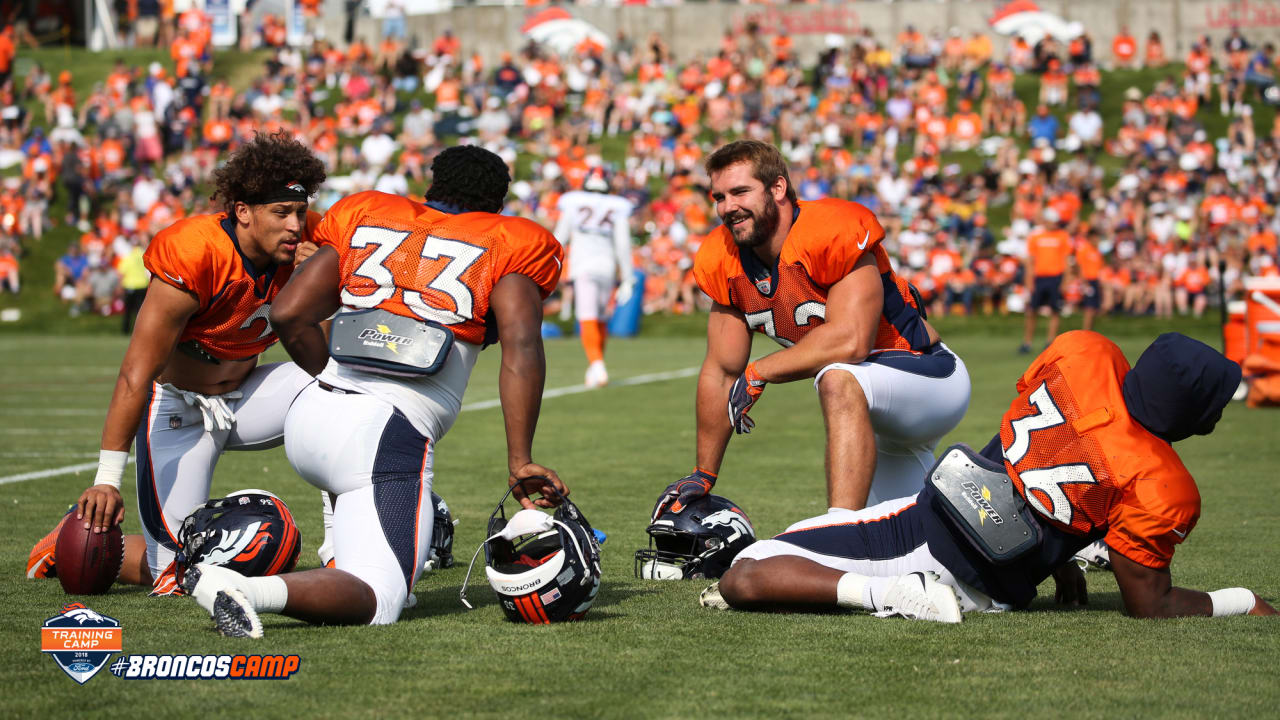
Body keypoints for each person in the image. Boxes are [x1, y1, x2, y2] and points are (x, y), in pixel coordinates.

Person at [182, 145, 569, 636]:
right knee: (382, 597)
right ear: (496, 202)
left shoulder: (368, 214)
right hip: (385, 433)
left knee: (375, 572)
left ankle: (336, 557)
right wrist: (520, 460)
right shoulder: (511, 242)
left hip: (314, 411)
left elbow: (287, 314)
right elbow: (521, 348)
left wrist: (334, 378)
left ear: (433, 184)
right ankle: (245, 588)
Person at [707, 331, 1278, 622]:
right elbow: (1148, 603)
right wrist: (1237, 599)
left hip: (923, 521)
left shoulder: (1083, 353)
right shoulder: (1165, 485)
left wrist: (1067, 551)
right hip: (989, 588)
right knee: (751, 576)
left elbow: (1053, 456)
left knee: (743, 573)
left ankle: (893, 595)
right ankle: (902, 594)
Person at [26, 133, 327, 594]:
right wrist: (107, 479)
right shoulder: (194, 249)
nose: (295, 226)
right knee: (174, 573)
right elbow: (137, 371)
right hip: (178, 409)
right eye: (281, 213)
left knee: (341, 394)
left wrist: (319, 284)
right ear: (243, 211)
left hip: (247, 395)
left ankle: (344, 550)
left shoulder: (310, 243)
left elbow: (322, 353)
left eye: (300, 213)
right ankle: (69, 538)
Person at [652, 140, 970, 524]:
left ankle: (837, 532)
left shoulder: (830, 230)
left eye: (740, 191)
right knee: (906, 536)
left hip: (927, 378)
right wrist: (704, 472)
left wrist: (761, 370)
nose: (727, 207)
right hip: (873, 414)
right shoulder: (723, 258)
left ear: (778, 188)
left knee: (836, 376)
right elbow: (721, 372)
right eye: (719, 196)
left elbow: (851, 342)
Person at [553, 168, 635, 388]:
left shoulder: (572, 202)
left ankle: (597, 365)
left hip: (583, 265)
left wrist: (548, 264)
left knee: (588, 316)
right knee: (599, 317)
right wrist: (627, 275)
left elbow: (559, 237)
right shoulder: (617, 205)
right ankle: (596, 366)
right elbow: (623, 243)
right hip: (606, 266)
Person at [1020, 209, 1070, 353]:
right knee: (1032, 311)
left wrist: (1065, 281)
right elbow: (1030, 261)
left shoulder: (1063, 236)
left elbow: (1066, 260)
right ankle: (1027, 342)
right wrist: (1029, 281)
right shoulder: (1035, 237)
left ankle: (1050, 342)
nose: (1056, 224)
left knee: (1055, 311)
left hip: (1056, 277)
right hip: (1039, 278)